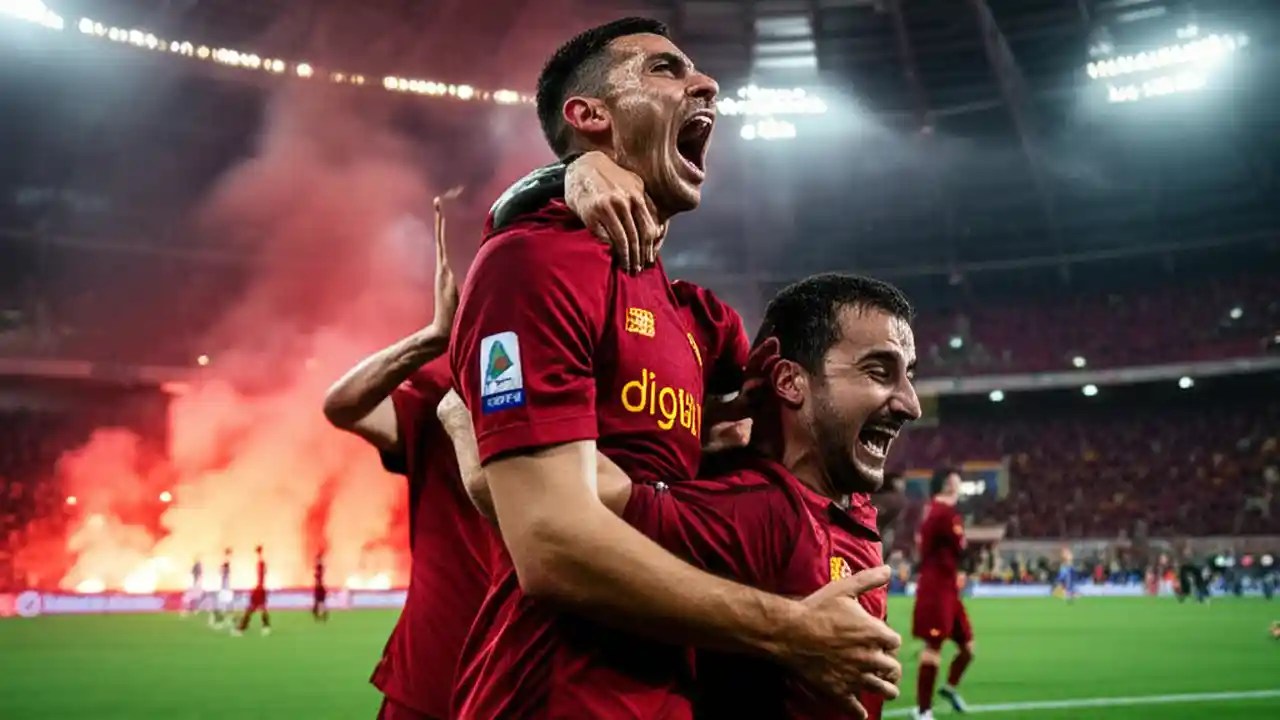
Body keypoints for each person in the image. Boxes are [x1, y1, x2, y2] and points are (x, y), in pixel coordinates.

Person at [449, 16, 901, 720]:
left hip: (672, 696)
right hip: (557, 697)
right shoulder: (532, 262)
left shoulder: (696, 318)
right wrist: (792, 632)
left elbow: (805, 409)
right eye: (664, 69)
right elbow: (550, 545)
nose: (707, 84)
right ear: (589, 115)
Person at [443, 272, 921, 719]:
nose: (911, 404)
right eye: (879, 372)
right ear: (789, 381)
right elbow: (540, 498)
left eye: (909, 375)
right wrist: (468, 409)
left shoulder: (849, 500)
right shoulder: (751, 514)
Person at [912, 468, 974, 719]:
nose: (960, 485)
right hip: (936, 590)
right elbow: (958, 547)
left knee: (968, 648)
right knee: (933, 647)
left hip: (949, 589)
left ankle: (949, 687)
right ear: (948, 484)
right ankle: (923, 710)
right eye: (957, 481)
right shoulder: (942, 513)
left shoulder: (939, 512)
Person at [233, 545, 270, 636]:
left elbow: (261, 570)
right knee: (261, 608)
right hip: (260, 589)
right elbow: (262, 570)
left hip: (259, 589)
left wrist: (260, 555)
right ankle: (265, 626)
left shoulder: (261, 566)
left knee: (253, 609)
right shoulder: (261, 566)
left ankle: (242, 628)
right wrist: (260, 554)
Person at [212, 548, 233, 629]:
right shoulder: (225, 566)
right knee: (225, 605)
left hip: (225, 589)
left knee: (226, 605)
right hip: (225, 590)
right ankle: (220, 621)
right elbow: (222, 571)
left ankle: (223, 621)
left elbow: (222, 571)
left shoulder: (225, 568)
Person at [312, 553, 329, 622]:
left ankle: (322, 616)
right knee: (319, 602)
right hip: (318, 588)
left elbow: (319, 577)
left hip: (320, 588)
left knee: (320, 602)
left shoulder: (320, 568)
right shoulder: (318, 568)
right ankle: (320, 616)